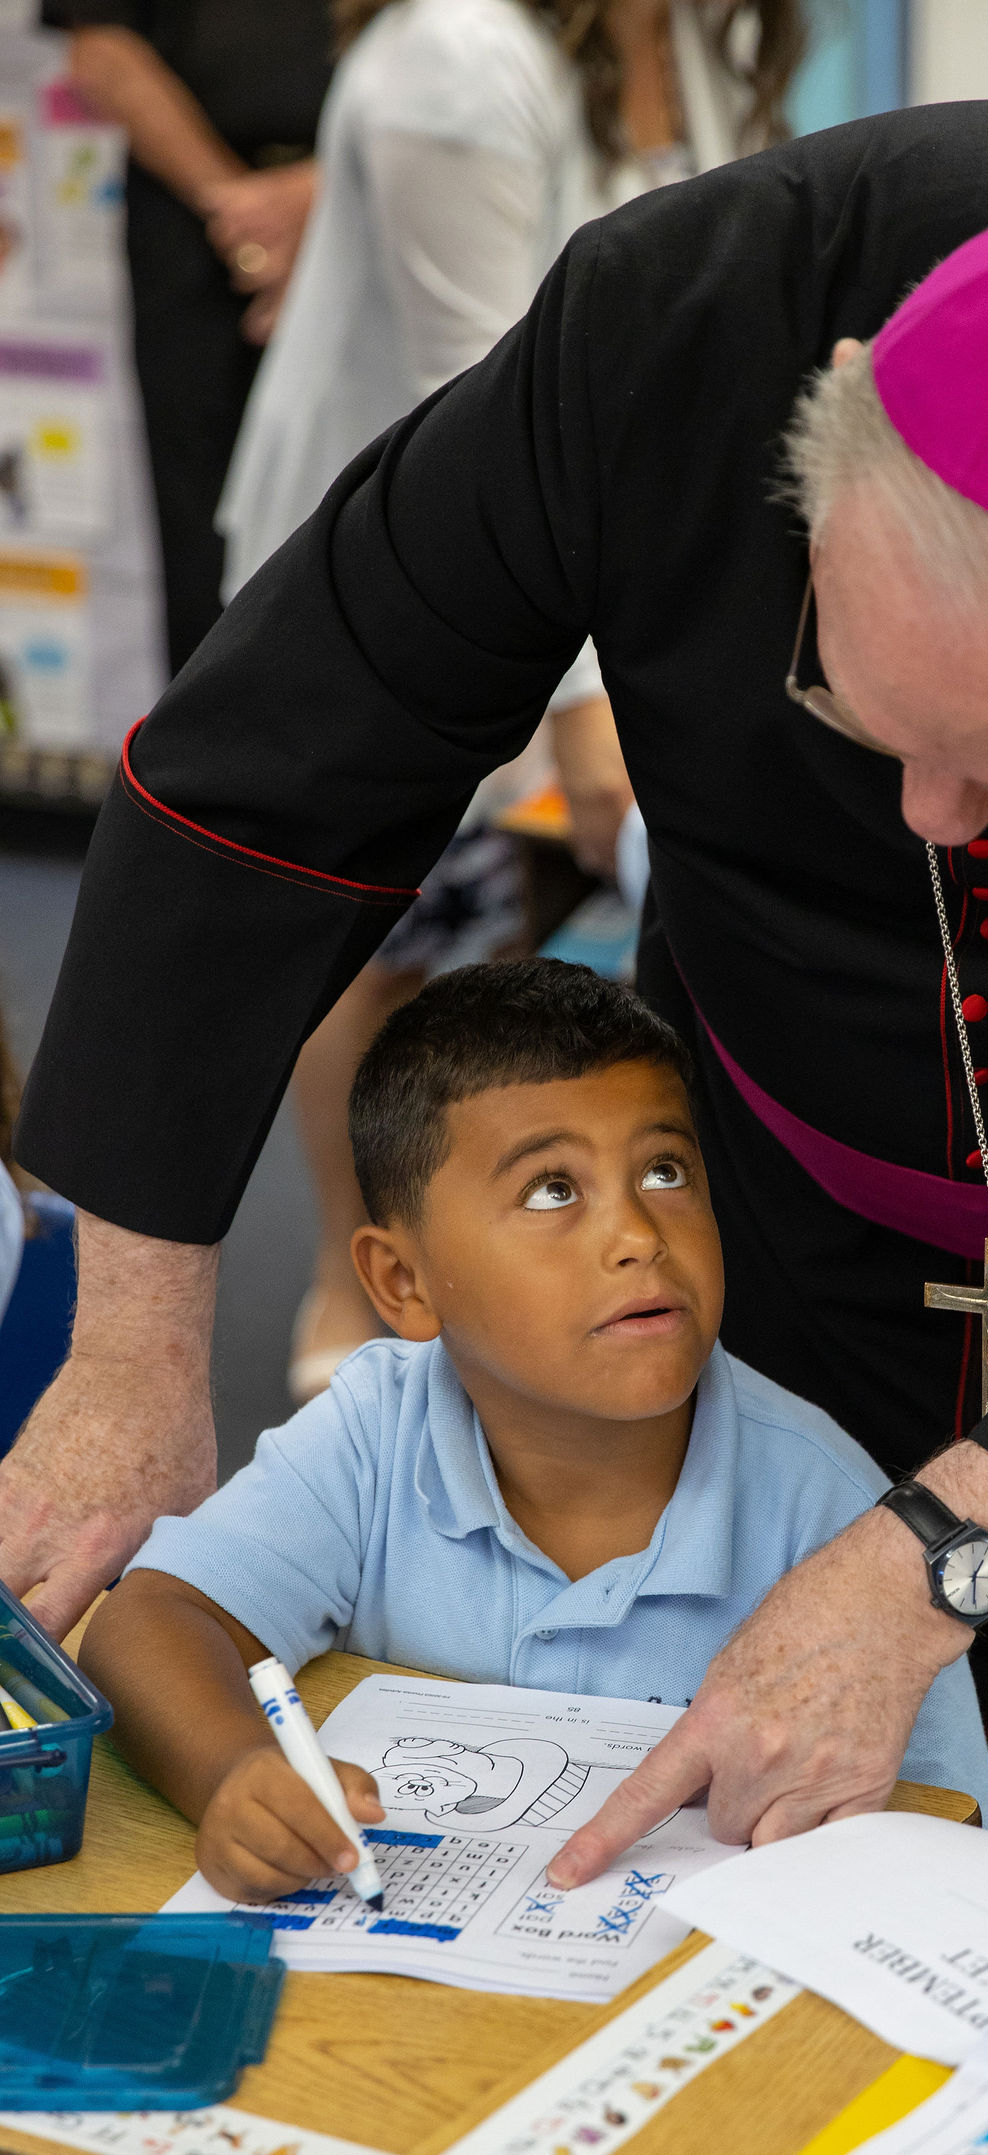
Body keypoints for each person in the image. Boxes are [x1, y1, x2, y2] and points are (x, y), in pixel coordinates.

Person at [11, 110, 988, 1939]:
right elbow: (273, 769)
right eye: (868, 716)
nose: (935, 817)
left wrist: (936, 1562)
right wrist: (130, 1353)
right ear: (825, 433)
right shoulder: (667, 332)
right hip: (776, 1187)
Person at [77, 960, 988, 1895]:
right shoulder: (375, 1431)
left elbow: (944, 1831)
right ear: (403, 1283)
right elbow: (154, 1618)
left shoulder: (828, 1509)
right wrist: (236, 1772)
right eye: (553, 1190)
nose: (638, 1235)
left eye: (666, 1171)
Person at [214, 0, 804, 1400]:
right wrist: (587, 714)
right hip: (391, 577)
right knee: (376, 938)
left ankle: (496, 1263)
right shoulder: (455, 56)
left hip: (598, 568)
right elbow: (475, 410)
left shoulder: (709, 40)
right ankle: (354, 1274)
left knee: (500, 938)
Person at [42, 1, 334, 670]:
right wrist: (249, 221)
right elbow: (103, 53)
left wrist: (325, 191)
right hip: (196, 238)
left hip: (382, 203)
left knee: (386, 513)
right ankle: (214, 735)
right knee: (209, 554)